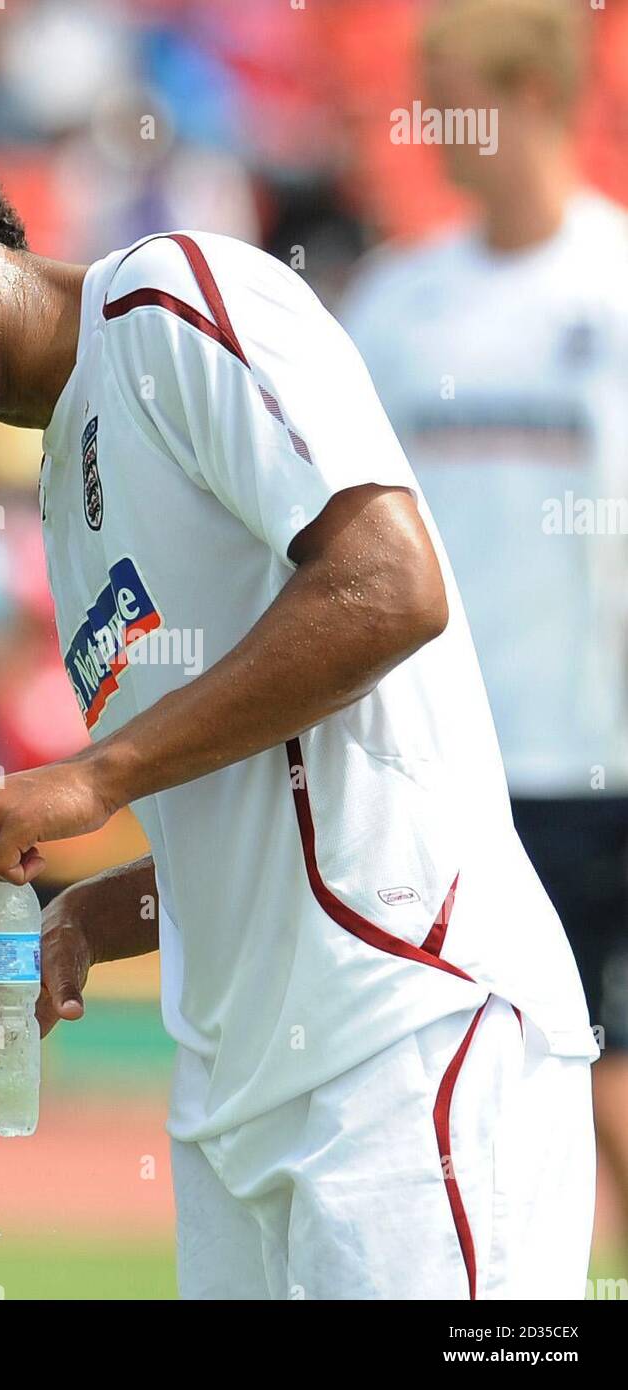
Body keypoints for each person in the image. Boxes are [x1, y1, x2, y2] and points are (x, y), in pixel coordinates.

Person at [0, 103, 598, 1300]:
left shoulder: (169, 303)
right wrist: (97, 914)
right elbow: (266, 792)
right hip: (240, 1109)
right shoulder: (66, 504)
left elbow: (393, 583)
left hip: (405, 1047)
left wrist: (96, 777)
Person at [341, 0, 628, 1249]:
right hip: (450, 775)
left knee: (602, 1083)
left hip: (601, 765)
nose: (426, 128)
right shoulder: (401, 302)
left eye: (449, 94)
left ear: (530, 94)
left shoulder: (615, 285)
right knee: (490, 1098)